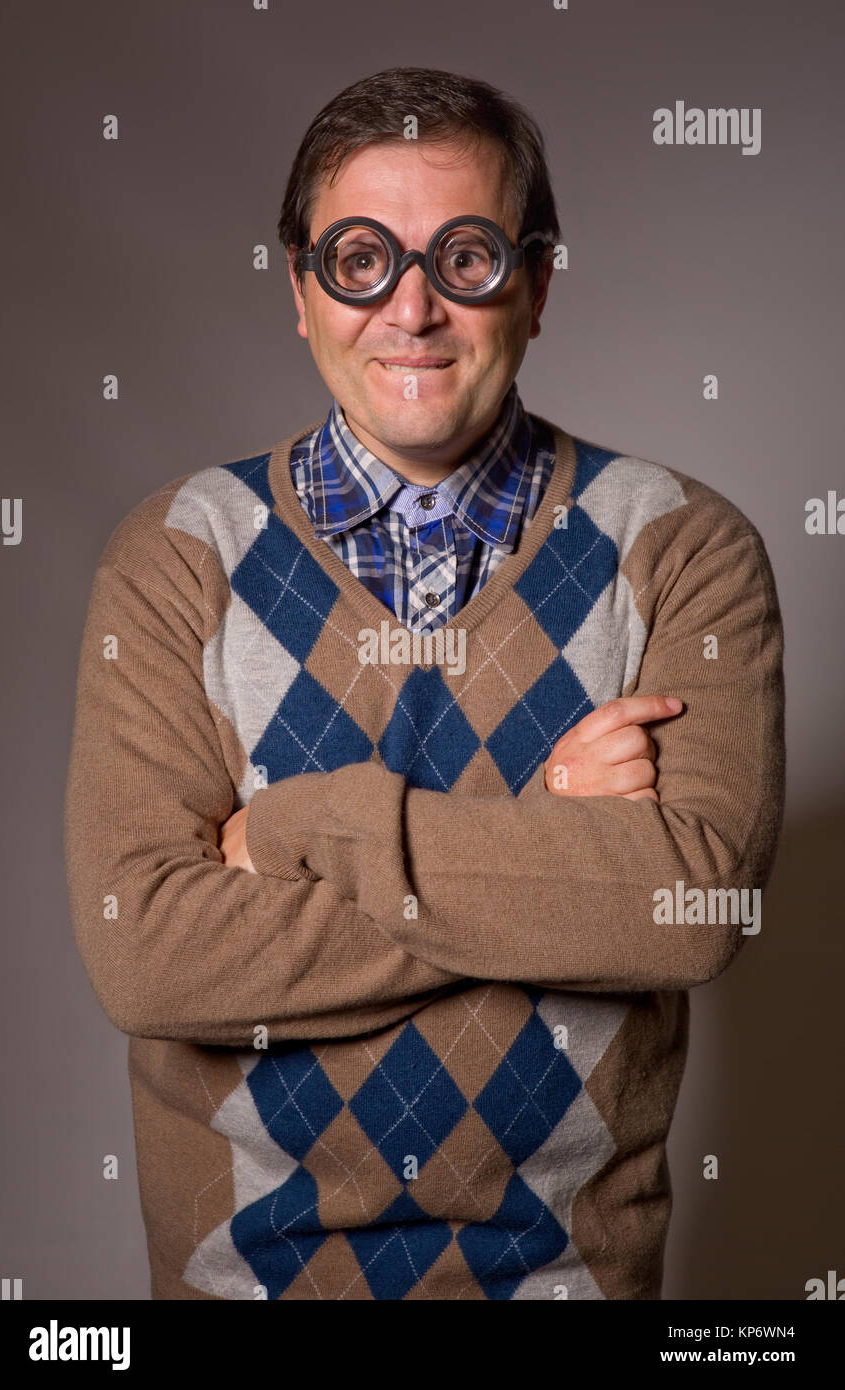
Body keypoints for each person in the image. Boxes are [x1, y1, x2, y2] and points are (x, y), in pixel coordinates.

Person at [64, 66, 785, 1300]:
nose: (410, 309)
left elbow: (692, 908)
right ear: (299, 289)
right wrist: (550, 843)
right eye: (358, 259)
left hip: (566, 1283)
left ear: (537, 283)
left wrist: (293, 829)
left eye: (463, 258)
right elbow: (150, 959)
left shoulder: (679, 543)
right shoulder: (178, 549)